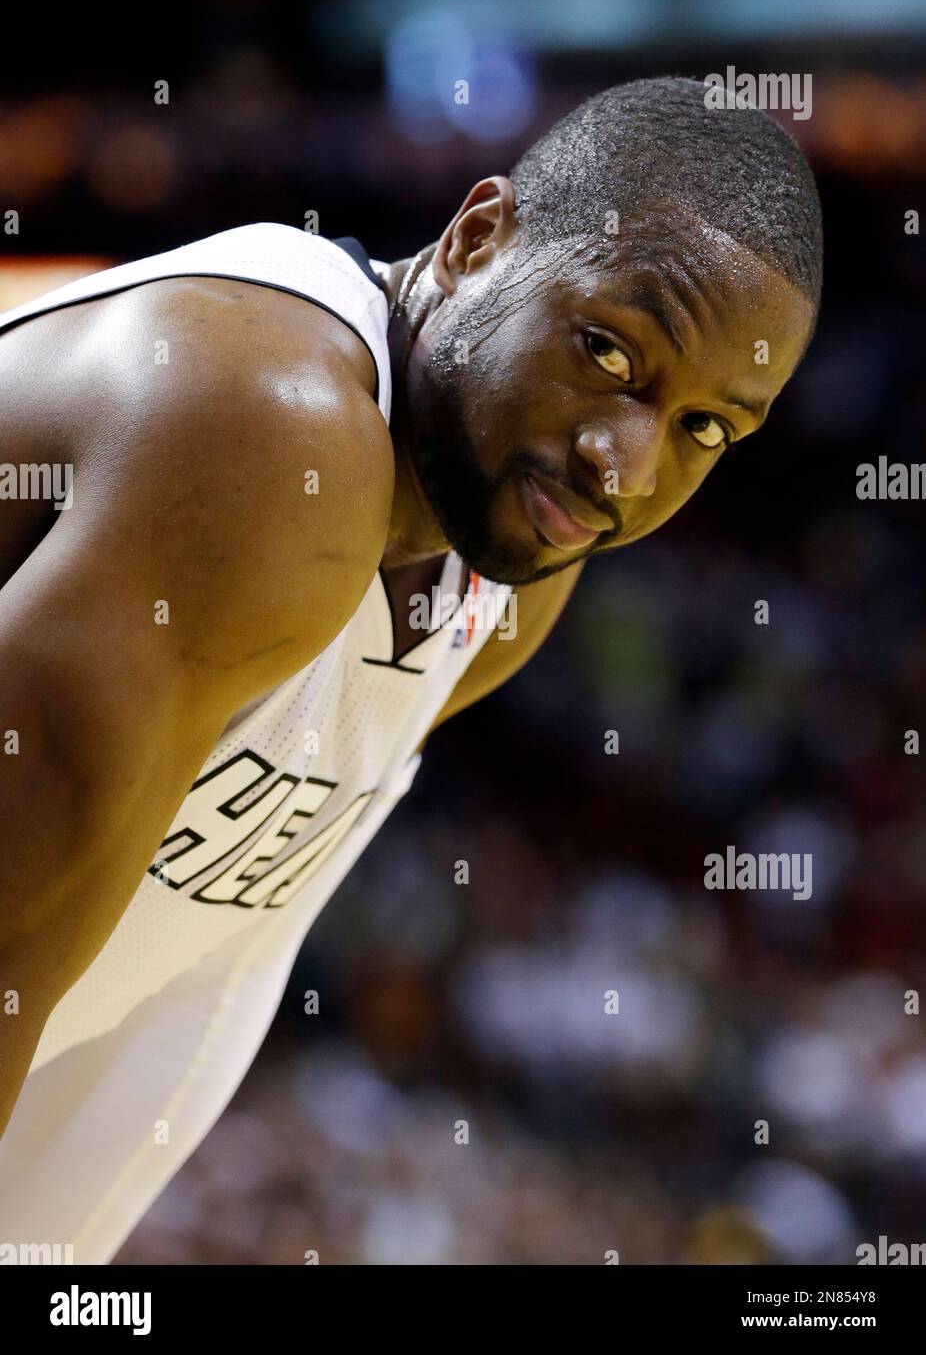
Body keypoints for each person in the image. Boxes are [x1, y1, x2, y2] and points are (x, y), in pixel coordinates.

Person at [0, 76, 822, 1262]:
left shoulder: (507, 569)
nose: (624, 466)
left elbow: (193, 966)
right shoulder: (264, 428)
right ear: (477, 238)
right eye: (607, 351)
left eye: (704, 428)